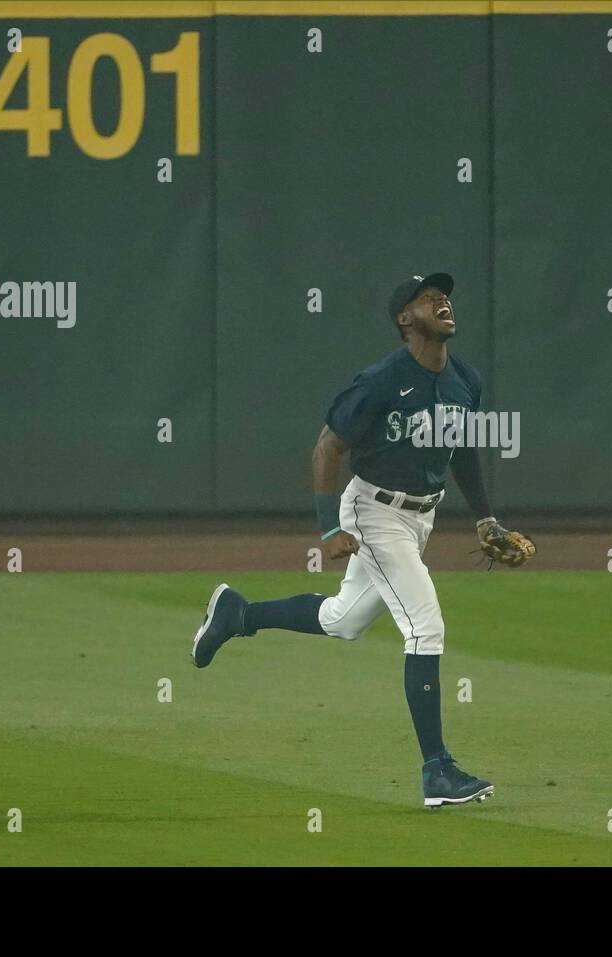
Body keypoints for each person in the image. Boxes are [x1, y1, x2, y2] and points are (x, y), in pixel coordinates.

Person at [191, 272, 521, 808]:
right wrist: (329, 528)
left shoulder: (465, 380)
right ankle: (437, 772)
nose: (442, 301)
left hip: (421, 517)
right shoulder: (380, 381)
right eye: (427, 297)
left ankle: (239, 614)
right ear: (404, 319)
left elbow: (460, 450)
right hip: (374, 511)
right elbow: (326, 449)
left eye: (445, 295)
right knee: (425, 625)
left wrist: (484, 518)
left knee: (344, 620)